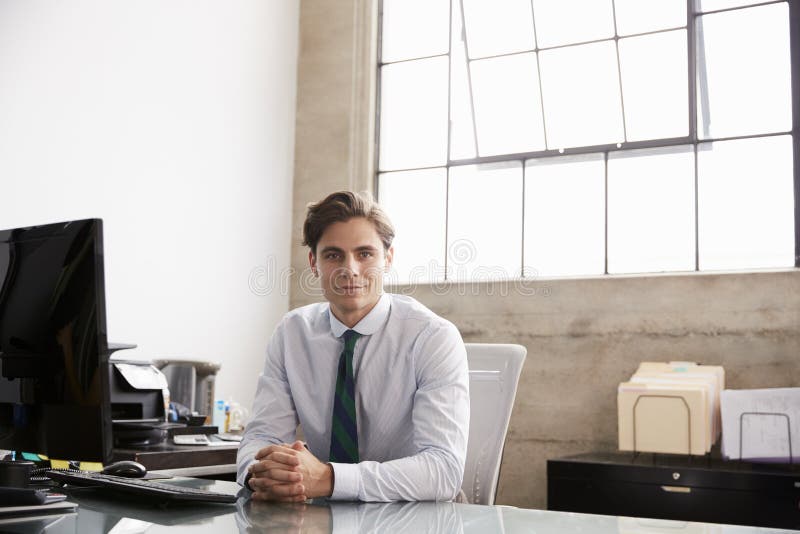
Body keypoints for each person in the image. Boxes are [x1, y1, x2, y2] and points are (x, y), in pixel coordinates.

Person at [236, 191, 469, 502]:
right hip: (320, 515)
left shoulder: (433, 337)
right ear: (314, 263)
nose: (351, 270)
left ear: (388, 259)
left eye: (365, 254)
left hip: (414, 516)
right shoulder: (291, 333)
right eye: (333, 255)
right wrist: (263, 475)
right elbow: (261, 437)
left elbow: (443, 471)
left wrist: (329, 479)